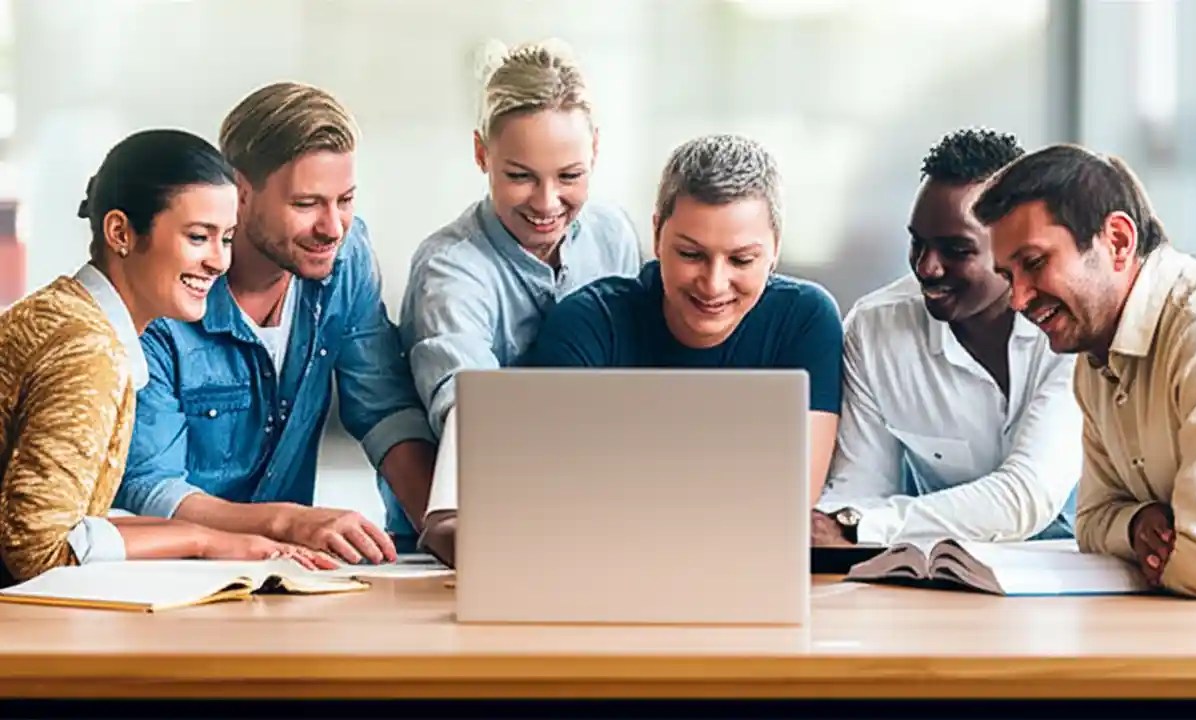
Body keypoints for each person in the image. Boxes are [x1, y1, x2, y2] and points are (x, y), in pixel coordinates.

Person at [422, 133, 843, 567]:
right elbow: (555, 500)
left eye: (741, 260)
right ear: (657, 234)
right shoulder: (589, 324)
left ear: (775, 249)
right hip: (597, 570)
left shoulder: (806, 319)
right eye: (691, 254)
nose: (714, 284)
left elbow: (790, 502)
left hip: (744, 570)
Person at [117, 83, 437, 563]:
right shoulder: (164, 297)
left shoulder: (345, 259)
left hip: (292, 573)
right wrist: (289, 521)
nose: (332, 227)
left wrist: (442, 525)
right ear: (241, 193)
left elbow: (384, 407)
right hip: (176, 575)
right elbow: (150, 489)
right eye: (306, 204)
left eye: (345, 200)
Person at [0, 129, 330, 586]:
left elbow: (63, 524)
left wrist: (214, 537)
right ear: (120, 232)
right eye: (198, 237)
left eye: (226, 239)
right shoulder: (88, 351)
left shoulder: (64, 315)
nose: (219, 262)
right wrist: (203, 541)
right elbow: (34, 546)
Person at [974, 143, 1196, 599]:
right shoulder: (1094, 358)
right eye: (1007, 276)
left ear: (1117, 241)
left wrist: (1146, 551)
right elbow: (1090, 522)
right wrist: (1136, 526)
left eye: (1034, 263)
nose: (1017, 299)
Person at [402, 39, 640, 556]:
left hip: (599, 520)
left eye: (570, 175)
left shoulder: (612, 233)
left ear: (596, 150)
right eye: (520, 176)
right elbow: (468, 404)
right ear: (481, 154)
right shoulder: (451, 268)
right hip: (469, 532)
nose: (547, 202)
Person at [812, 129, 1081, 547]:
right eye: (917, 243)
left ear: (1013, 247)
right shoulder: (875, 329)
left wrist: (864, 525)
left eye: (956, 250)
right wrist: (848, 522)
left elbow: (1027, 496)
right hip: (939, 568)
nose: (927, 267)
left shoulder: (1070, 323)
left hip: (1084, 569)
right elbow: (857, 494)